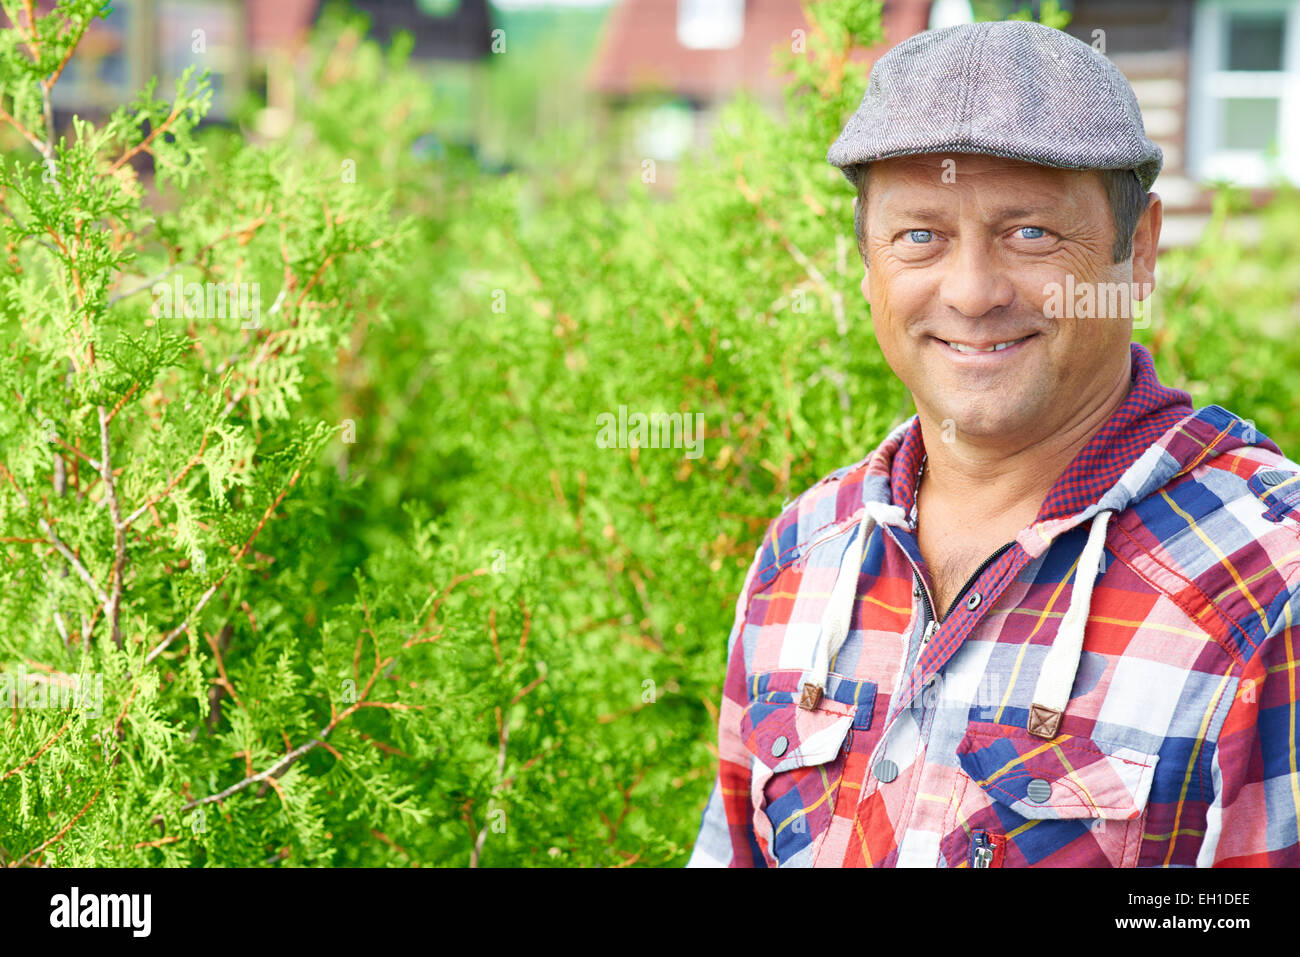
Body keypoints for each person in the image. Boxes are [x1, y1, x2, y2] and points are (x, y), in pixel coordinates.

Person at [687, 19, 1300, 868]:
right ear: (867, 263)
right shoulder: (805, 551)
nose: (973, 293)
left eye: (1031, 233)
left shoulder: (1270, 580)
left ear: (1141, 249)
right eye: (920, 236)